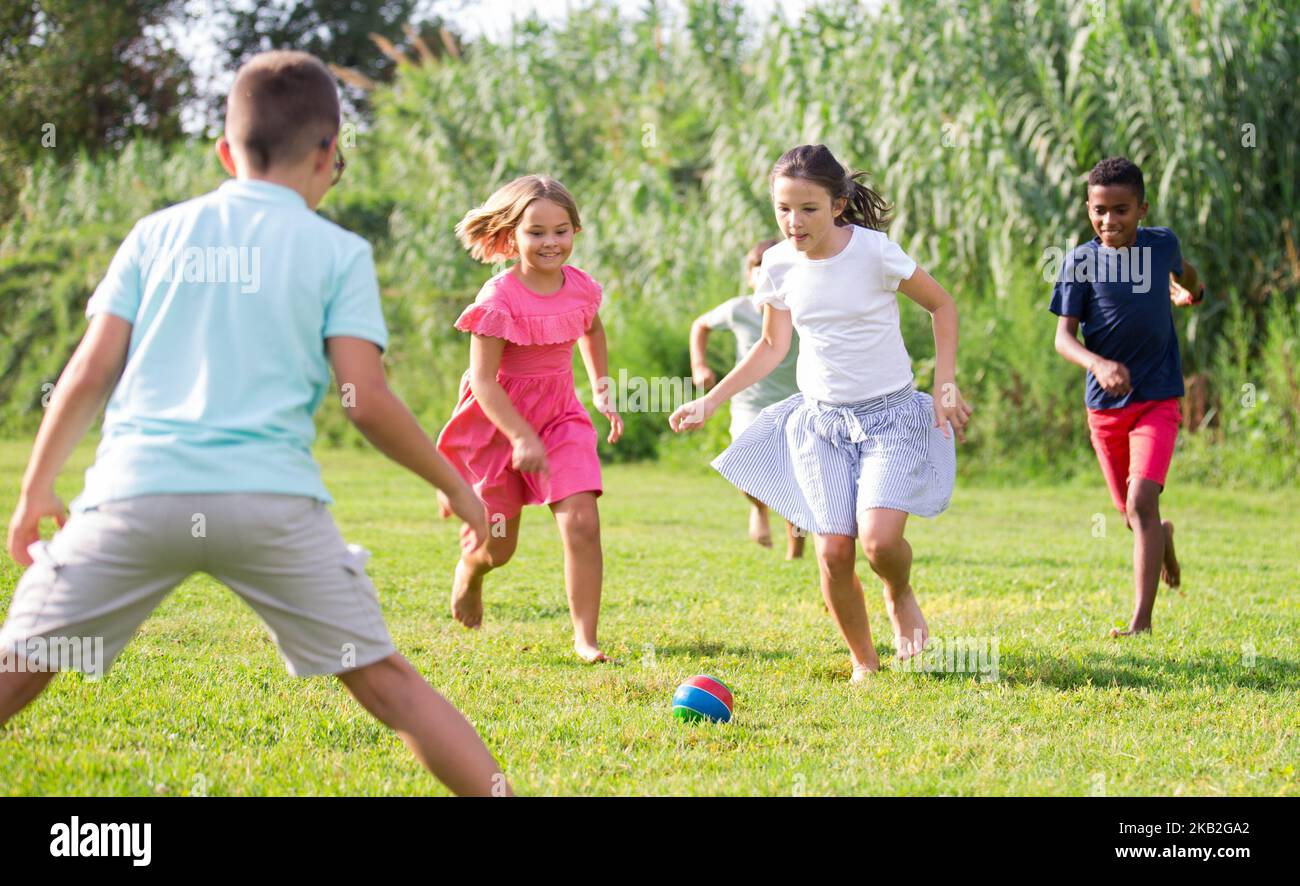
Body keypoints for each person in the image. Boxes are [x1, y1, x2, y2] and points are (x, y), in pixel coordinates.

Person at [0, 50, 509, 796]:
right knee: (388, 685)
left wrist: (36, 489)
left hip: (135, 495)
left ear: (224, 150)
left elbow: (86, 373)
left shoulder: (156, 233)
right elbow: (363, 398)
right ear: (331, 154)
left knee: (23, 666)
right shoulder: (338, 251)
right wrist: (457, 483)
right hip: (270, 504)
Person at [670, 144, 972, 683]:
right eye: (783, 209)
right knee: (833, 550)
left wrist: (944, 383)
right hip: (822, 424)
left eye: (808, 208)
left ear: (838, 204)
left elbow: (941, 305)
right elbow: (769, 346)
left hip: (891, 416)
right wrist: (711, 399)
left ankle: (899, 592)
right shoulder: (777, 264)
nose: (793, 222)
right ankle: (864, 662)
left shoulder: (875, 252)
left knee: (879, 543)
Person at [436, 175, 623, 663]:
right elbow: (483, 381)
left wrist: (601, 389)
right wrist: (519, 436)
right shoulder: (498, 298)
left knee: (582, 521)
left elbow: (592, 330)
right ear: (512, 235)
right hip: (501, 425)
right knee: (499, 548)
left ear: (575, 231)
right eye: (536, 232)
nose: (550, 242)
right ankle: (471, 572)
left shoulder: (581, 288)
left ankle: (586, 638)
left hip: (561, 417)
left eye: (561, 230)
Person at [1051, 156, 1203, 638]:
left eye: (1121, 210)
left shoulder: (1163, 245)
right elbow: (1063, 339)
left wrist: (1190, 293)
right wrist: (1097, 363)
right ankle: (1163, 537)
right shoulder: (1079, 262)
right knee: (1133, 516)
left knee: (1141, 501)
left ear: (1142, 209)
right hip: (1105, 409)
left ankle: (1141, 623)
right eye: (1099, 210)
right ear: (1088, 208)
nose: (1109, 221)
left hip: (1158, 397)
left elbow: (1188, 272)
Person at [689, 238, 805, 558]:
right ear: (749, 276)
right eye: (758, 268)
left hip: (797, 403)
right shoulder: (738, 309)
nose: (765, 274)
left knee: (798, 481)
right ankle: (758, 509)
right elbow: (700, 325)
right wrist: (699, 365)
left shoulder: (801, 307)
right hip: (748, 404)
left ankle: (795, 549)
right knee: (743, 465)